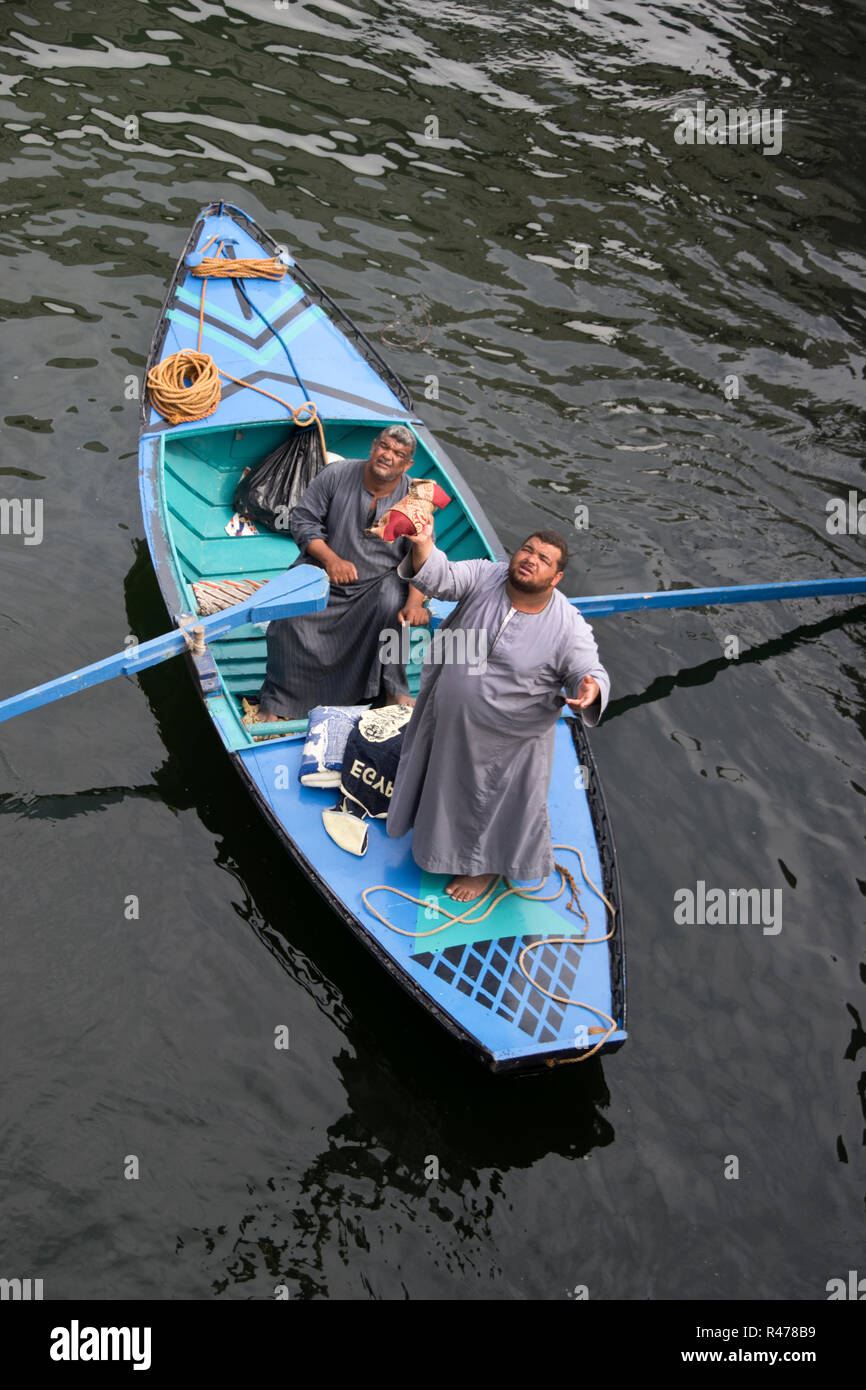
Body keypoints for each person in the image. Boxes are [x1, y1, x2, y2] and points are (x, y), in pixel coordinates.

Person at [386, 526, 610, 902]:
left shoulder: (567, 624)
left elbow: (587, 669)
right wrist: (424, 544)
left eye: (543, 560)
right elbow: (443, 577)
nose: (530, 559)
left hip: (506, 743)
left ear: (555, 578)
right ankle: (436, 847)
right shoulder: (487, 575)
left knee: (488, 804)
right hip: (448, 719)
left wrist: (591, 688)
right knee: (442, 784)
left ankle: (485, 868)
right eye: (528, 549)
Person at [257, 426, 429, 720]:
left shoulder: (416, 497)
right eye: (384, 447)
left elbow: (423, 556)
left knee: (393, 606)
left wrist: (415, 602)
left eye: (398, 454)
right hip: (323, 574)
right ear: (373, 446)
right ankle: (277, 700)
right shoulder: (336, 474)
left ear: (407, 464)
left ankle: (391, 691)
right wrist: (331, 559)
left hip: (376, 586)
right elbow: (303, 521)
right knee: (288, 617)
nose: (387, 456)